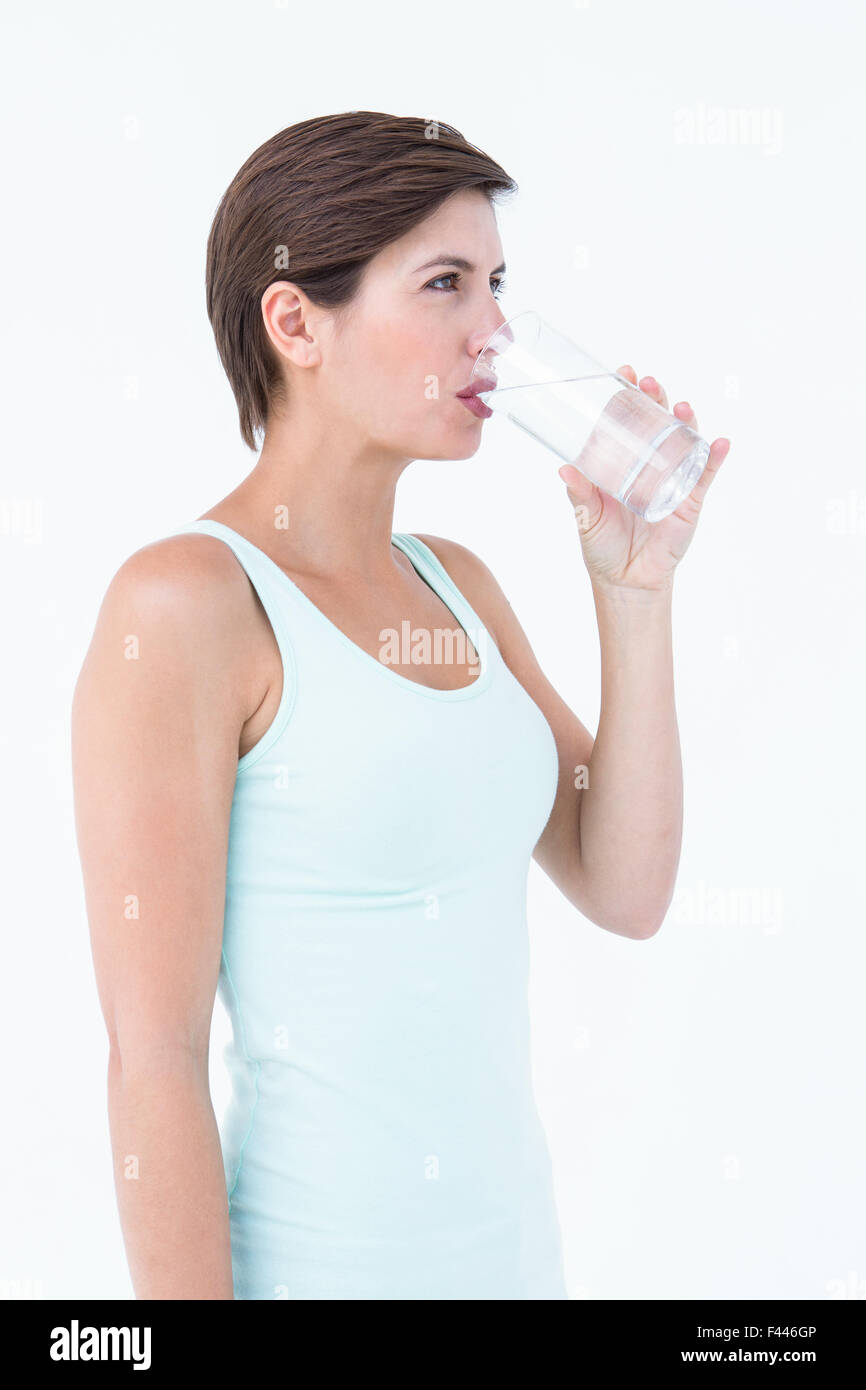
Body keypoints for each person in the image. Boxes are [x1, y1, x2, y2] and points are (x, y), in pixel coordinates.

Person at [71, 111, 730, 1301]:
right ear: (294, 321)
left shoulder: (454, 584)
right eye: (443, 285)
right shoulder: (186, 604)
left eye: (495, 284)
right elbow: (151, 1061)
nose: (494, 334)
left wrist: (633, 593)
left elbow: (624, 887)